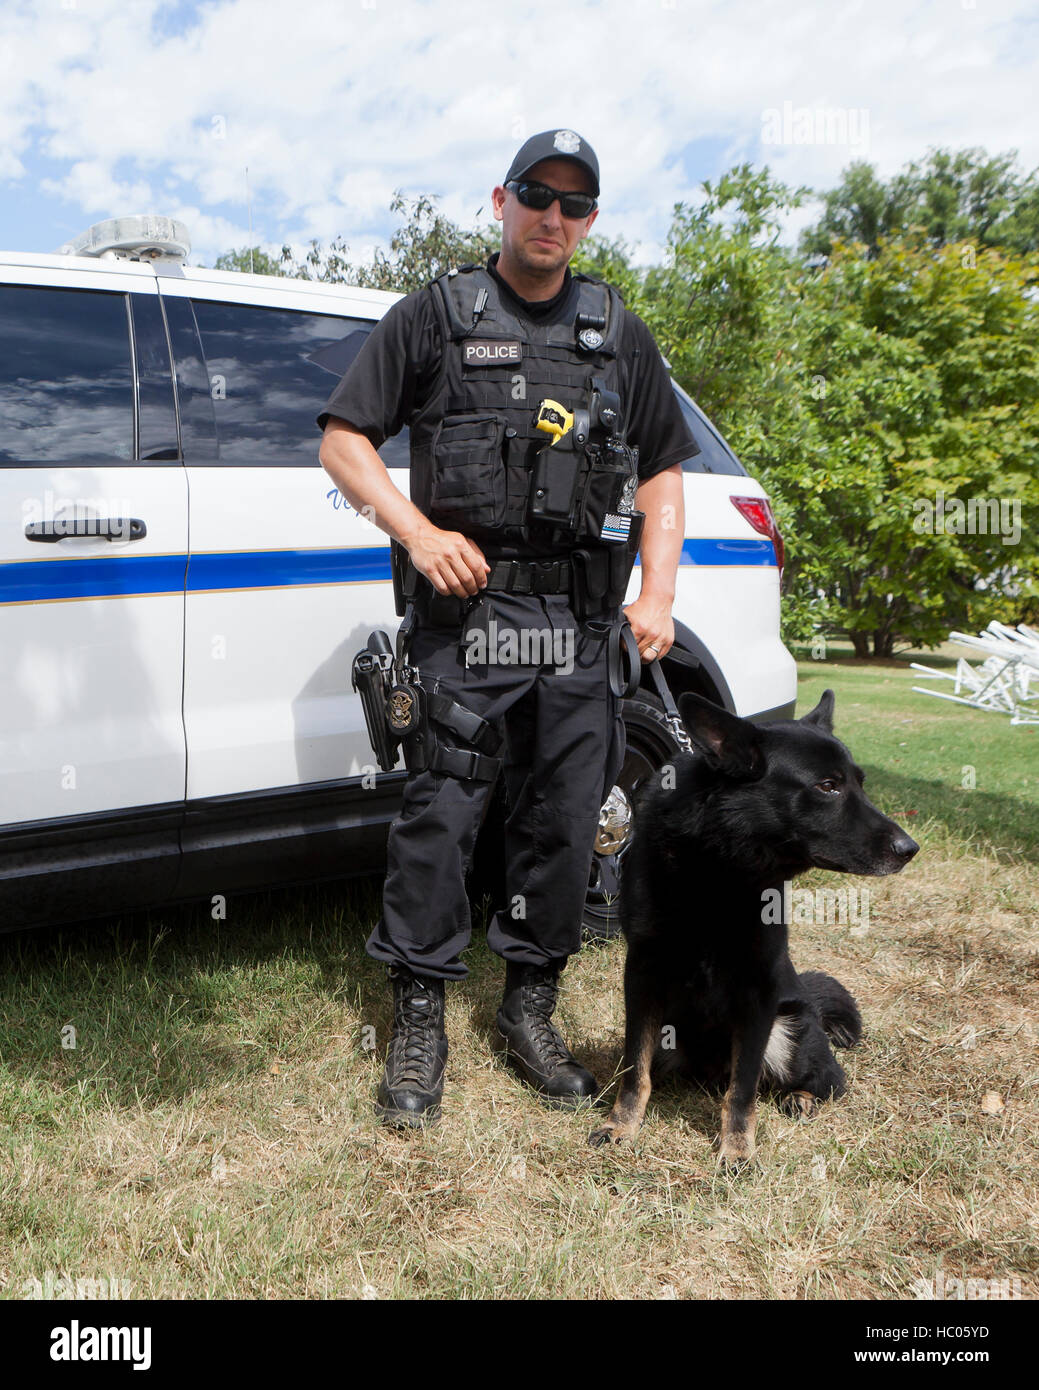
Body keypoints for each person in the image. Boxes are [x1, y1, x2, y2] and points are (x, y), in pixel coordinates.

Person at [318, 129, 696, 1127]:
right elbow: (343, 437)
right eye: (538, 195)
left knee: (565, 823)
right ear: (502, 199)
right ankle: (419, 1014)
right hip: (471, 613)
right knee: (442, 811)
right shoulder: (437, 316)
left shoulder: (617, 333)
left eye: (574, 204)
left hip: (577, 620)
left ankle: (529, 1007)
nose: (553, 217)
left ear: (591, 220)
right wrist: (416, 528)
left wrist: (654, 595)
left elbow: (662, 471)